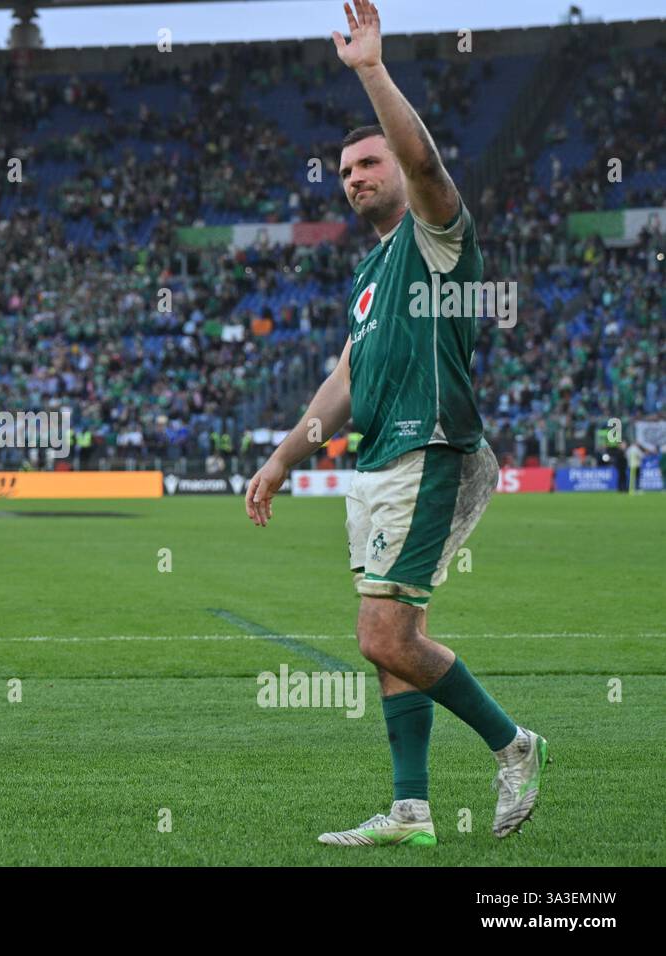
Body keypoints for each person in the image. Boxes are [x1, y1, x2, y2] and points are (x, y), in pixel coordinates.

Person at [244, 0, 548, 846]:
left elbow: (425, 162)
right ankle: (411, 810)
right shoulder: (371, 273)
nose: (356, 176)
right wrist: (281, 458)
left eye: (368, 162)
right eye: (345, 170)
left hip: (432, 446)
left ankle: (514, 744)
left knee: (381, 631)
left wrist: (371, 70)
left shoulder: (438, 238)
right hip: (375, 459)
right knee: (390, 637)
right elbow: (345, 377)